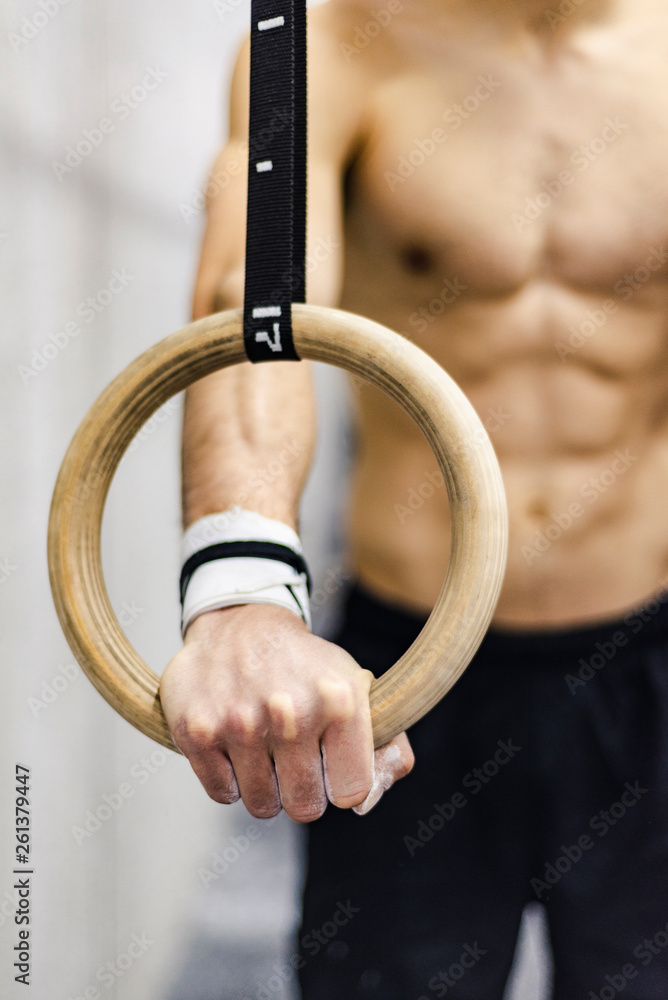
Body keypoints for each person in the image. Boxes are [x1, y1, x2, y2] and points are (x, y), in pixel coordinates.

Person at [160, 0, 668, 995]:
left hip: (644, 659)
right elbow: (252, 308)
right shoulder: (325, 38)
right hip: (406, 685)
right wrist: (243, 583)